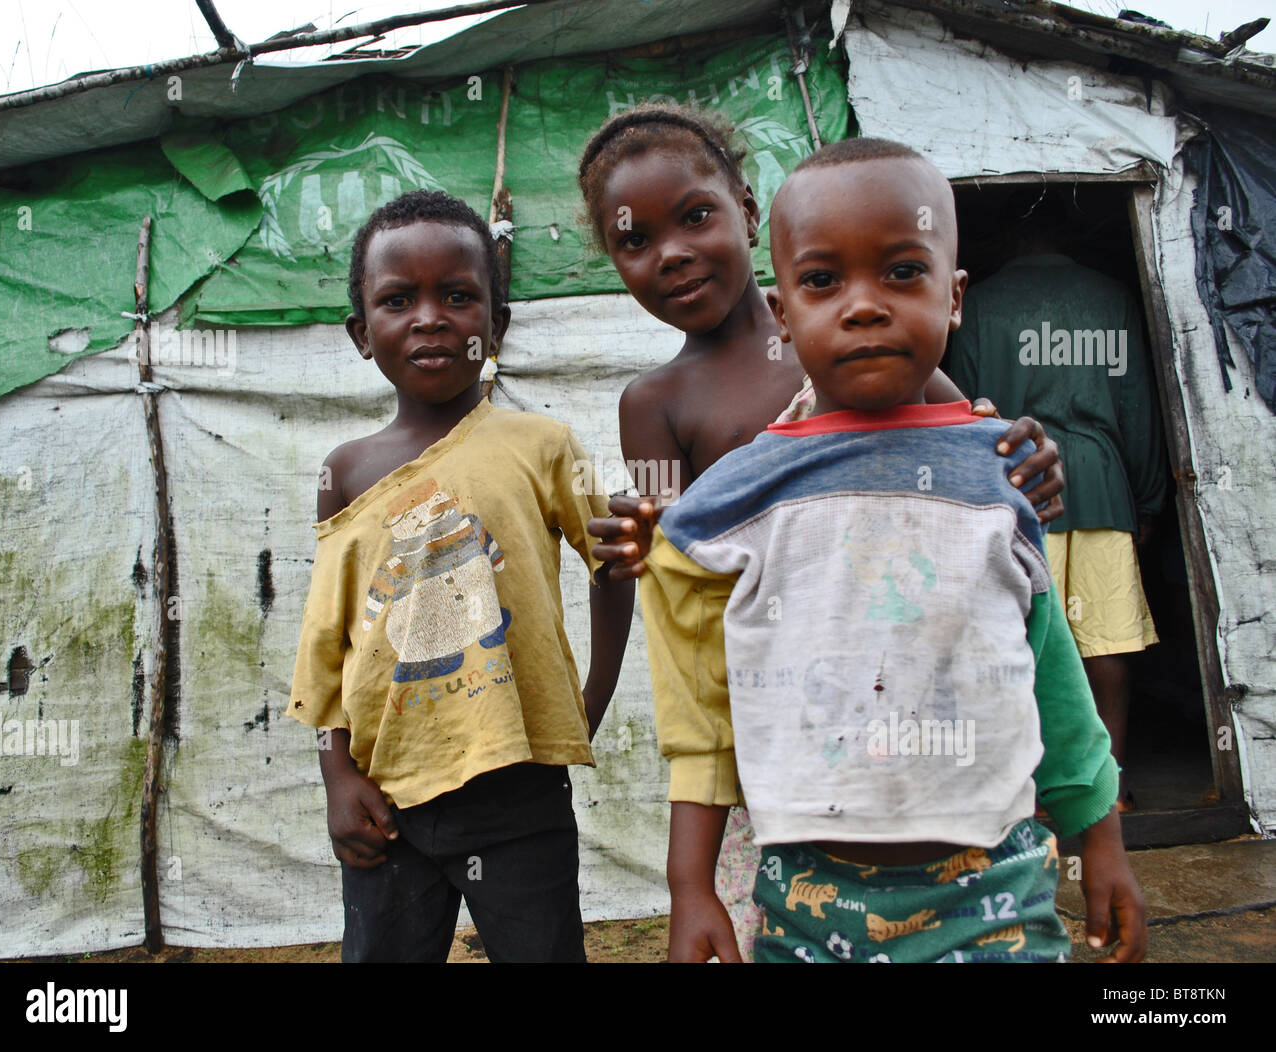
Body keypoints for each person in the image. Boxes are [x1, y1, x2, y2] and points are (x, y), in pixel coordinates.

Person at [576, 103, 1068, 958]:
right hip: (779, 724)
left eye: (696, 216)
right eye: (636, 240)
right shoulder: (656, 404)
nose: (674, 254)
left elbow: (970, 450)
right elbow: (661, 538)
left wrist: (1033, 457)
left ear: (745, 204)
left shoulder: (856, 331)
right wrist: (602, 657)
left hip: (908, 694)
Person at [286, 190, 634, 962]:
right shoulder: (345, 472)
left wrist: (588, 704)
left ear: (496, 325)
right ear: (360, 334)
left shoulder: (543, 444)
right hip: (389, 795)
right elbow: (330, 641)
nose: (429, 317)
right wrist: (336, 776)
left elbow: (613, 563)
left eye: (458, 295)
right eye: (398, 299)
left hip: (520, 784)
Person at [942, 191, 1166, 811]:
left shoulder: (978, 304)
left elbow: (964, 407)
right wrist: (1146, 499)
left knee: (1023, 640)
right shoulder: (1111, 297)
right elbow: (1138, 408)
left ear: (1003, 240)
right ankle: (1109, 787)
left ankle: (1033, 790)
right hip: (1098, 482)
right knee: (1108, 641)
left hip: (1013, 484)